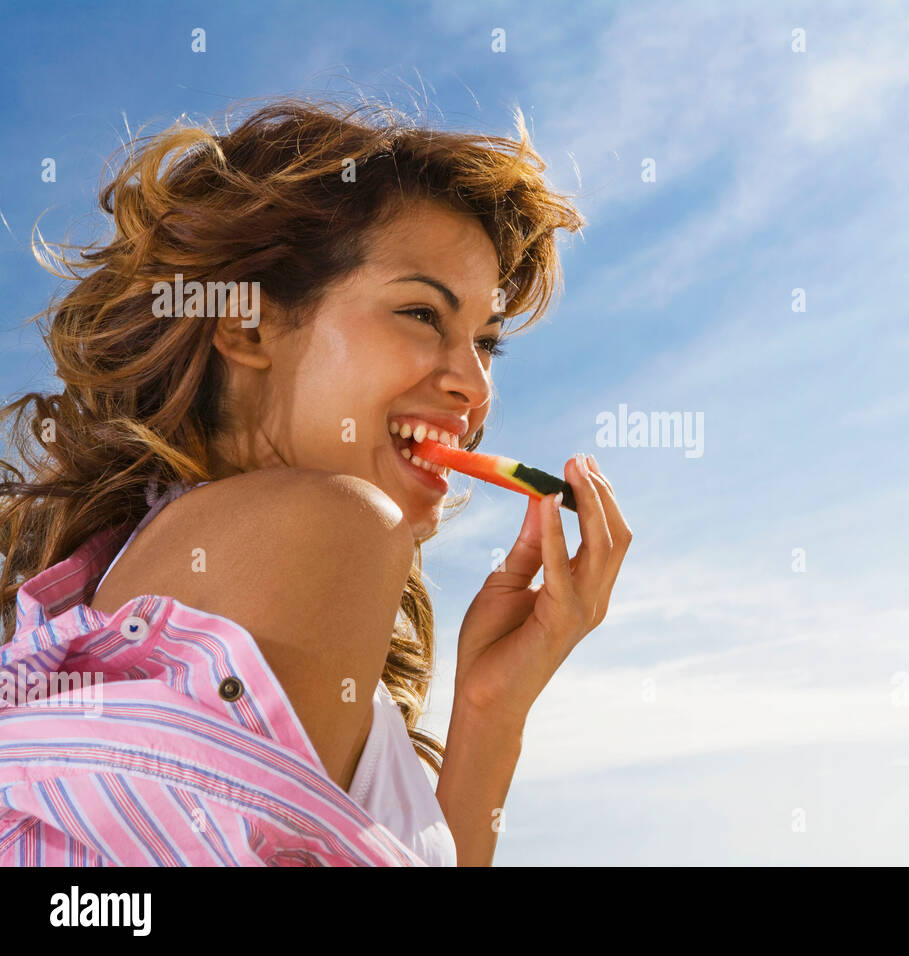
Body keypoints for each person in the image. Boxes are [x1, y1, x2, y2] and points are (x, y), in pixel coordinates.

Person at [0, 97, 631, 866]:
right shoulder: (335, 522)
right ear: (247, 327)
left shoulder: (163, 560)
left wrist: (490, 710)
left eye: (487, 343)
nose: (475, 387)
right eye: (423, 314)